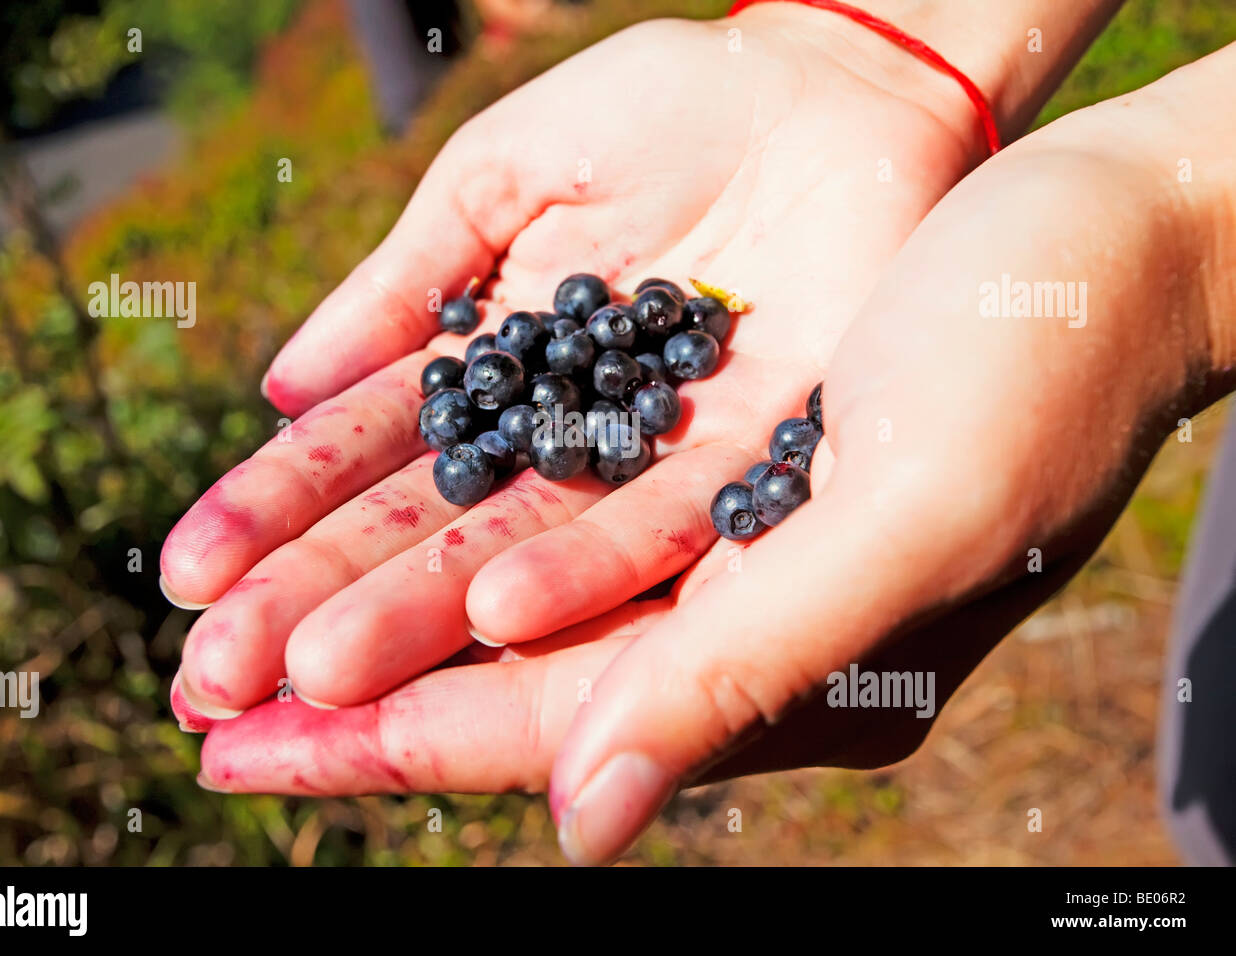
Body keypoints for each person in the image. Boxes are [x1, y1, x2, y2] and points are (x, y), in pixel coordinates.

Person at [160, 1, 1235, 865]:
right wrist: (874, 44)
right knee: (1217, 788)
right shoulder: (579, 374)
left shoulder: (624, 368)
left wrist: (1177, 244)